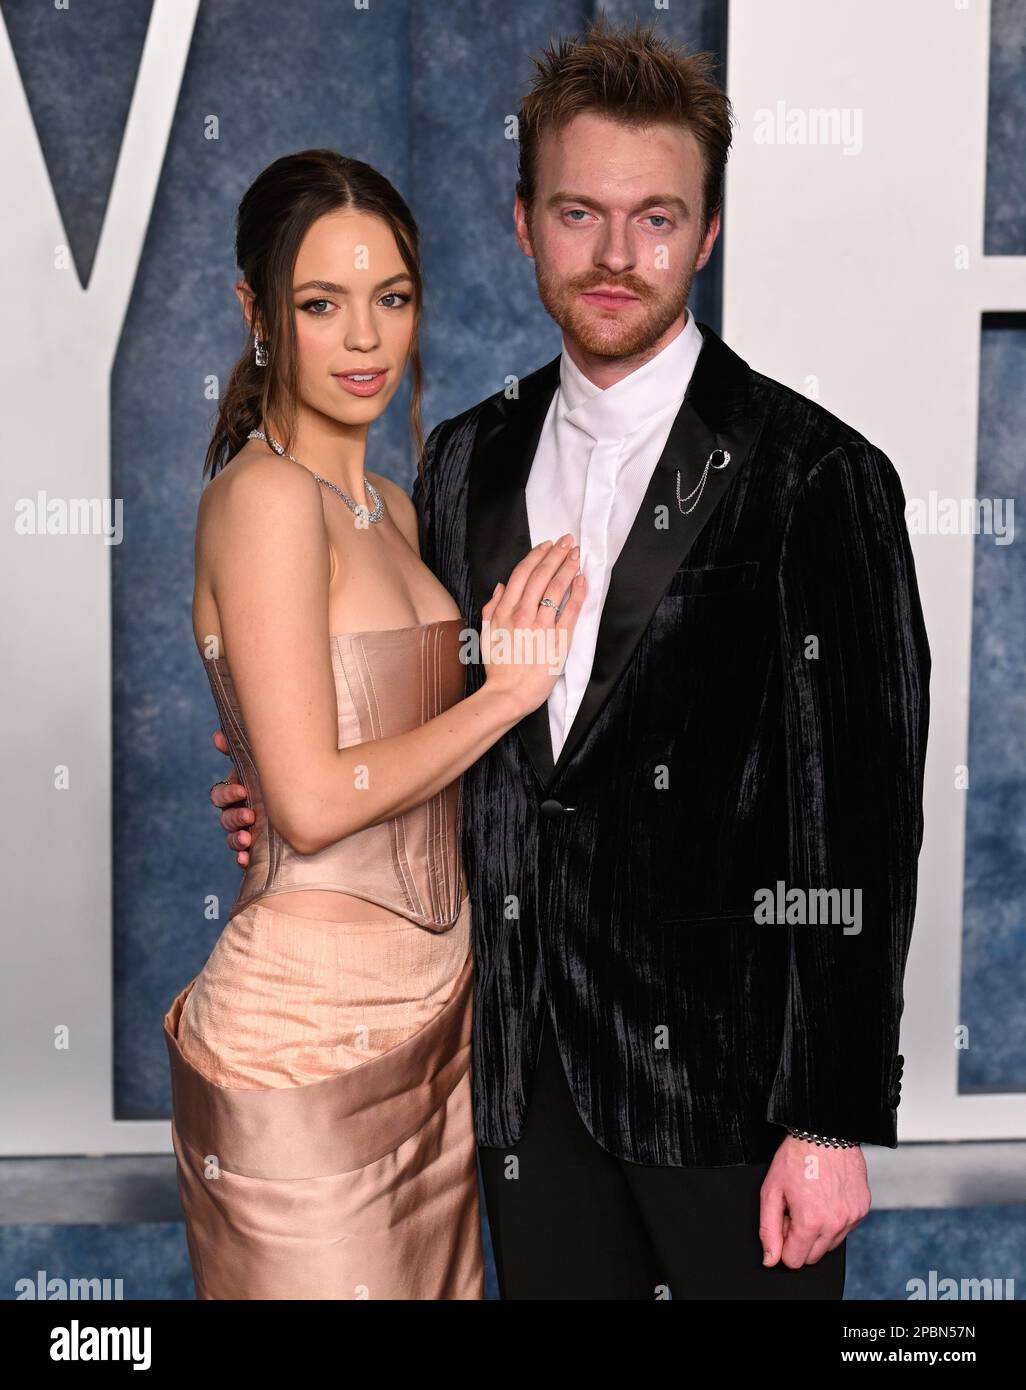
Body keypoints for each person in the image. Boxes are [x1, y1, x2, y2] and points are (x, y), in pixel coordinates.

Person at [211, 17, 930, 1300]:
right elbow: (452, 732)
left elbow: (859, 829)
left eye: (656, 219)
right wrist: (294, 800)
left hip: (730, 1109)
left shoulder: (818, 476)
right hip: (513, 1083)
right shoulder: (463, 459)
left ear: (707, 233)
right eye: (580, 212)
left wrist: (829, 1122)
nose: (615, 255)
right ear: (524, 220)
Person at [163, 148, 585, 1300]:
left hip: (437, 1027)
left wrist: (279, 765)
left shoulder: (395, 502)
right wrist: (504, 693)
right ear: (258, 313)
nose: (364, 339)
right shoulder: (259, 498)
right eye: (321, 303)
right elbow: (306, 801)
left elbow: (345, 758)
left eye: (391, 298)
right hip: (303, 1043)